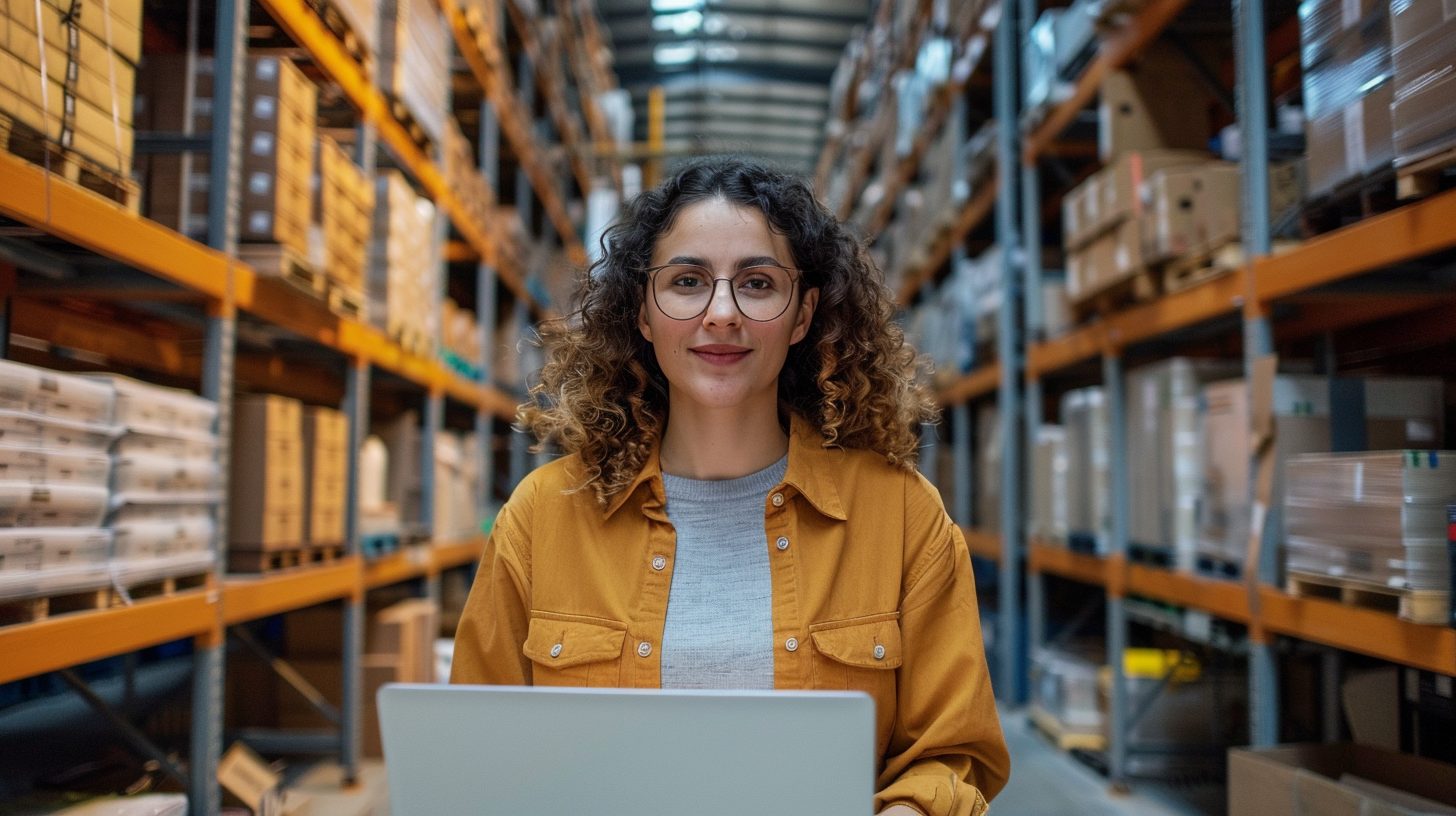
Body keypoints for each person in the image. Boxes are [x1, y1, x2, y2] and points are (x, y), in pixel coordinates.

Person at [452, 156, 1009, 815]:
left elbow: (952, 756)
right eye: (688, 281)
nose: (722, 313)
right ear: (643, 312)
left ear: (801, 316)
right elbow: (477, 756)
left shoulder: (901, 514)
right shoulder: (541, 518)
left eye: (757, 283)